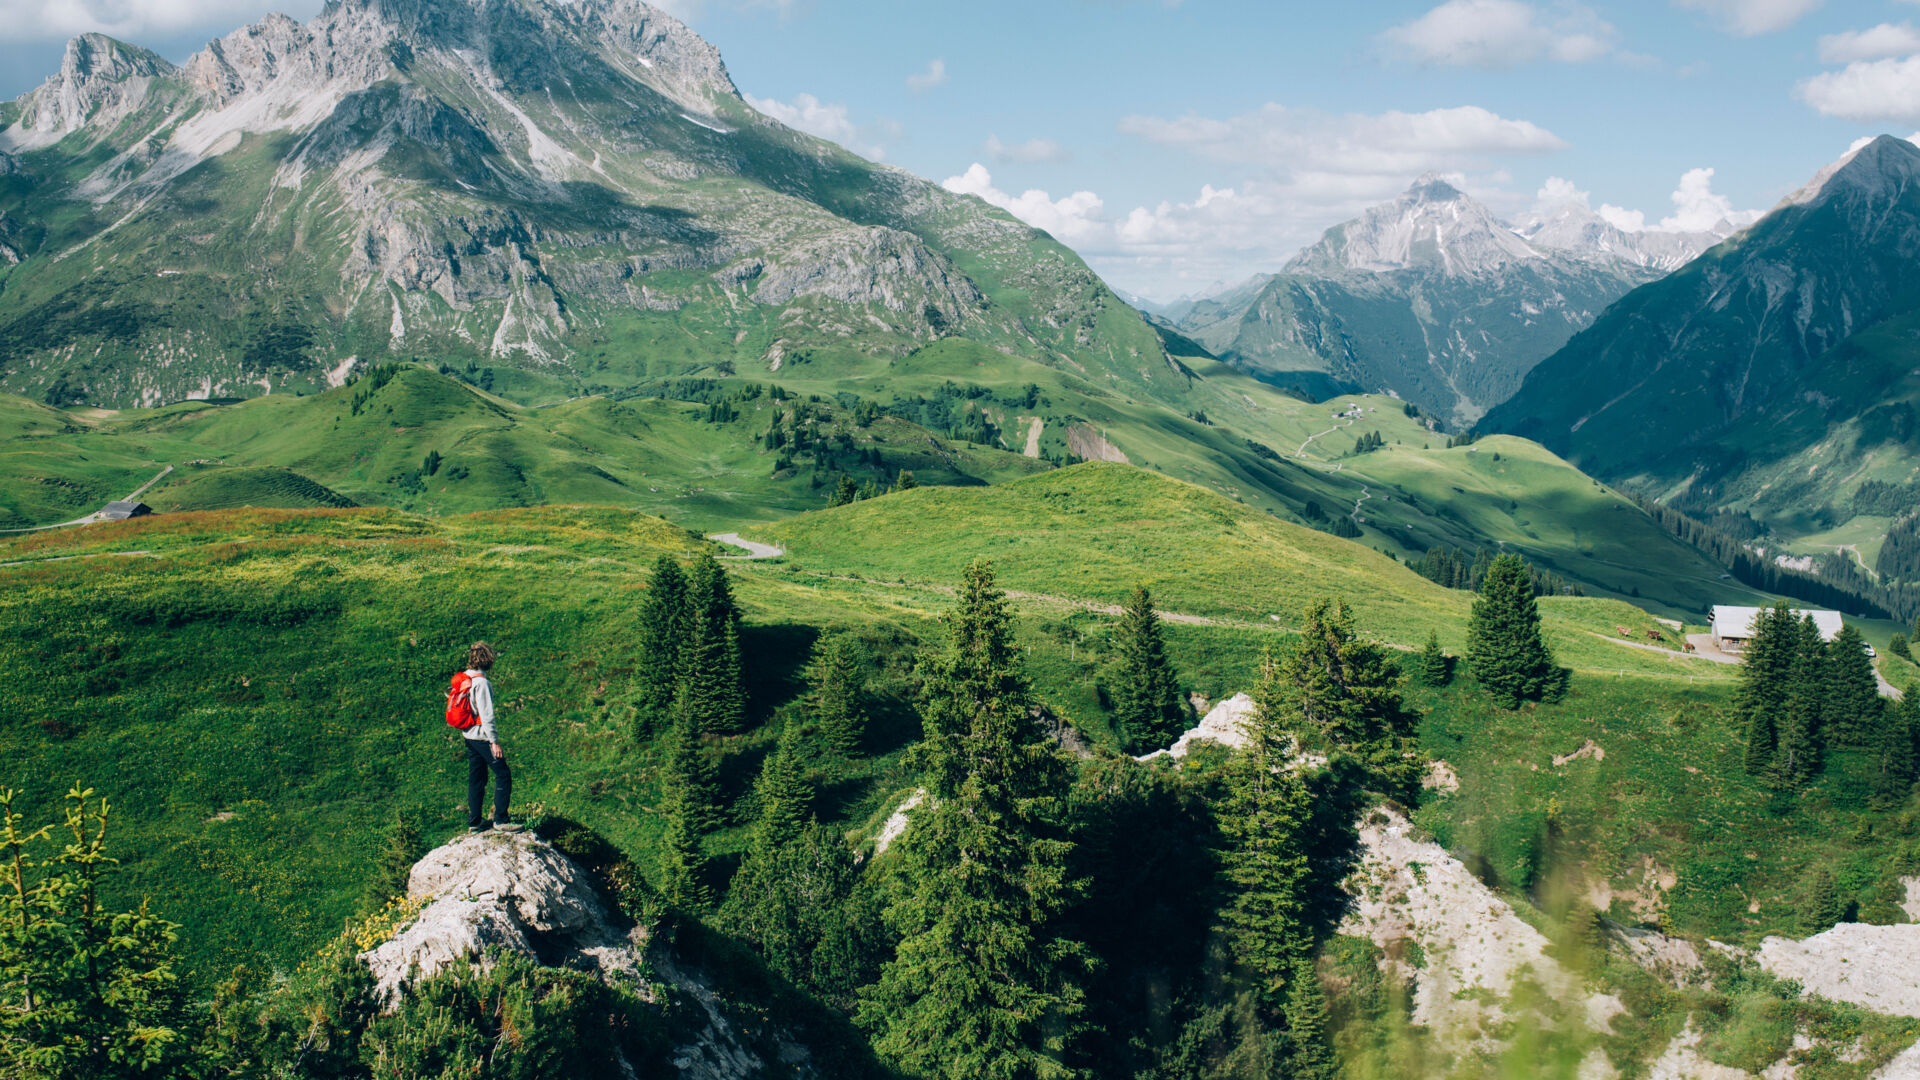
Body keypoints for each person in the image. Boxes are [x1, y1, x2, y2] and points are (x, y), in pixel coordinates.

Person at [461, 642, 521, 834]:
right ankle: (501, 820)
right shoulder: (482, 683)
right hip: (481, 737)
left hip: (468, 735)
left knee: (476, 778)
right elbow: (487, 716)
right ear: (488, 660)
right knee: (503, 774)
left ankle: (475, 822)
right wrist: (494, 742)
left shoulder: (465, 678)